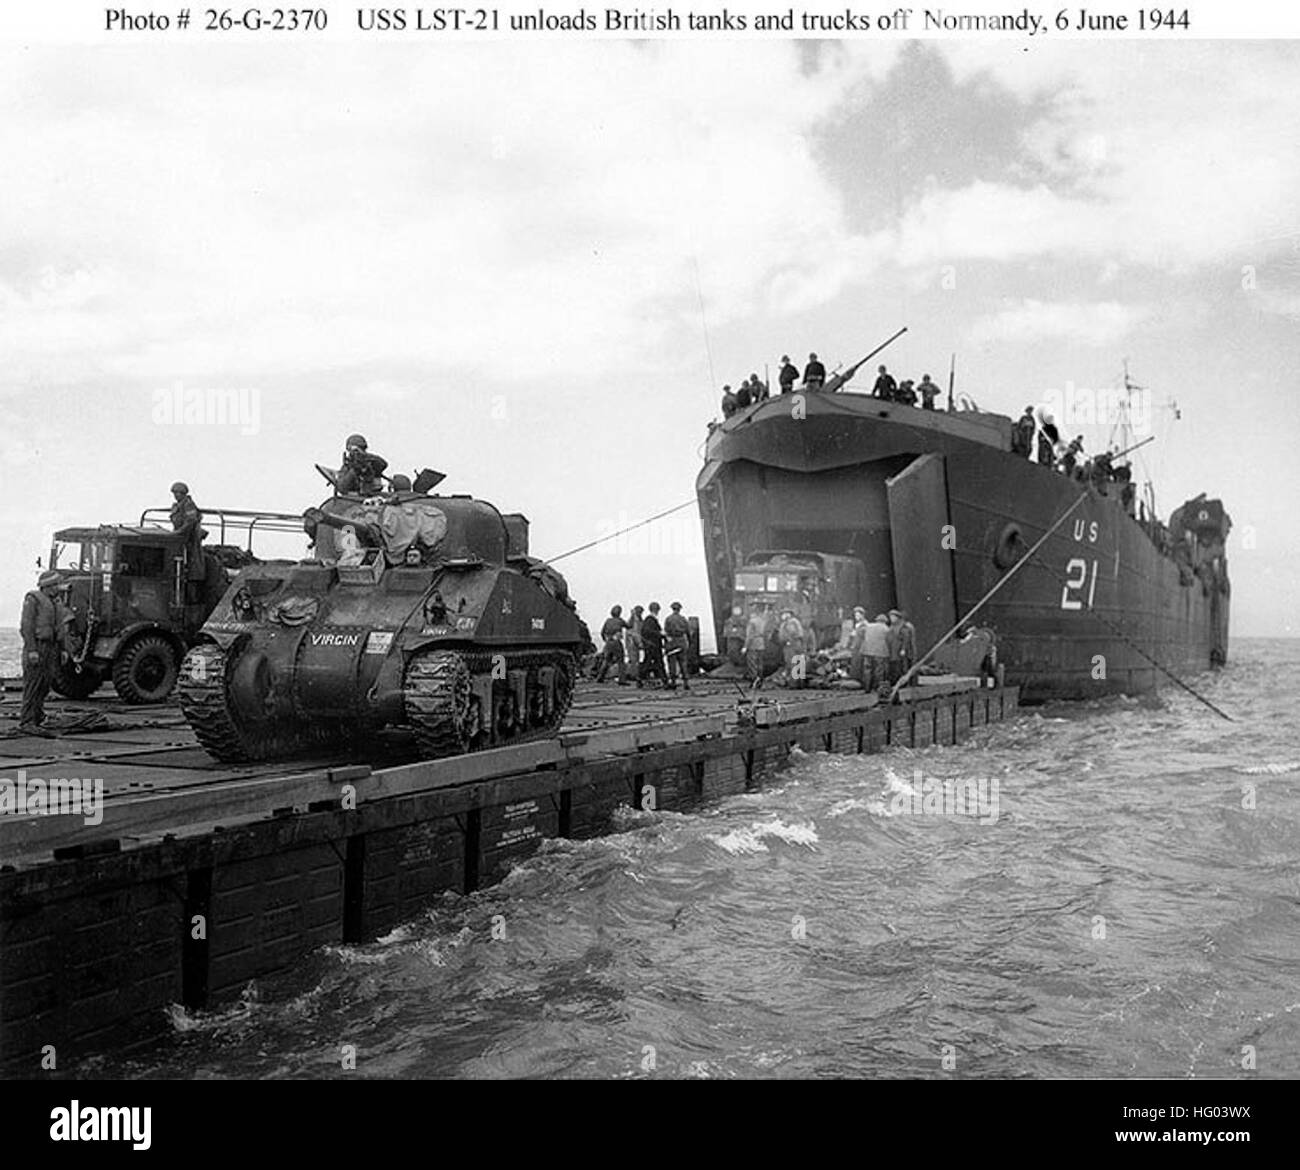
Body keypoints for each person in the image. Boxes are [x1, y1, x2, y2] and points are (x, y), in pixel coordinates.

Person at [20, 570, 74, 733]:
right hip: (38, 646)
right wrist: (31, 650)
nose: (59, 587)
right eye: (57, 584)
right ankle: (27, 721)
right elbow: (27, 626)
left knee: (45, 684)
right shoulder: (33, 599)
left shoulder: (56, 602)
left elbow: (61, 629)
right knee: (33, 684)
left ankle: (37, 716)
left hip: (52, 647)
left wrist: (64, 649)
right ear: (48, 586)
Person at [169, 481, 207, 588]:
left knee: (192, 563)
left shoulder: (188, 505)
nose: (176, 495)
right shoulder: (177, 506)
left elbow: (190, 521)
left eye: (178, 493)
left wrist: (180, 531)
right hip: (180, 536)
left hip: (189, 538)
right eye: (174, 493)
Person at [594, 606, 629, 684]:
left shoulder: (608, 621)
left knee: (606, 661)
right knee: (621, 661)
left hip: (608, 642)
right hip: (616, 642)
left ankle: (600, 677)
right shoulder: (620, 621)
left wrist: (606, 640)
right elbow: (629, 626)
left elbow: (602, 632)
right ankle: (622, 680)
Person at [664, 601, 691, 691]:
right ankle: (686, 682)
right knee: (683, 663)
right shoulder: (683, 619)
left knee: (672, 663)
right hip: (681, 642)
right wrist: (689, 642)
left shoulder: (668, 619)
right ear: (679, 609)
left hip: (672, 642)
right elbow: (688, 631)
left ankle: (673, 681)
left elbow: (666, 631)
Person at [862, 612, 891, 693]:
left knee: (867, 669)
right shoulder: (886, 628)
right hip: (880, 653)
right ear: (885, 621)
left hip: (867, 651)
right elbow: (889, 641)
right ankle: (876, 688)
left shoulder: (869, 626)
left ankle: (867, 688)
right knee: (879, 670)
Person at [777, 608, 807, 688]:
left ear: (788, 614)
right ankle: (800, 683)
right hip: (795, 644)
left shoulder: (791, 623)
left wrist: (788, 640)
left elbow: (793, 633)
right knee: (798, 662)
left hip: (791, 645)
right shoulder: (794, 622)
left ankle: (793, 684)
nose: (783, 615)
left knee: (792, 663)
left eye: (784, 613)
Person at [640, 602, 667, 686]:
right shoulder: (650, 620)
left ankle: (640, 679)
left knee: (648, 663)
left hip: (651, 645)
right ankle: (664, 681)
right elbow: (648, 631)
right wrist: (660, 634)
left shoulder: (649, 620)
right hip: (653, 645)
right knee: (657, 663)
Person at [743, 602, 771, 684]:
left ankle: (754, 679)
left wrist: (745, 646)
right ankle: (760, 678)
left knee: (752, 663)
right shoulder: (762, 621)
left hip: (753, 645)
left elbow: (749, 636)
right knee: (760, 663)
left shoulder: (752, 622)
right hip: (761, 644)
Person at [625, 604, 644, 685]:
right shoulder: (635, 620)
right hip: (632, 642)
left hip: (632, 642)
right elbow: (635, 633)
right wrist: (640, 643)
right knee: (634, 659)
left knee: (634, 659)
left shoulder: (635, 620)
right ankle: (634, 675)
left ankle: (633, 674)